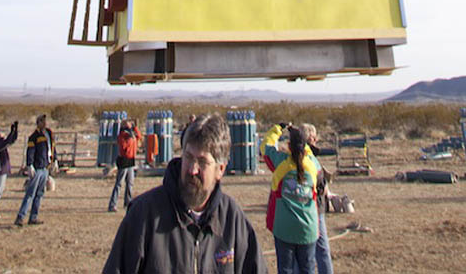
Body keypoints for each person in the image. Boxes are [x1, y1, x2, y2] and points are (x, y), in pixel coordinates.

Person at [102, 113, 266, 274]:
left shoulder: (233, 220)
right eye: (188, 157)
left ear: (220, 170)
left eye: (202, 162)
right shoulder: (144, 215)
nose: (192, 170)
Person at [264, 122, 319, 274]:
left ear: (289, 145)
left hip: (284, 228)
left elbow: (265, 148)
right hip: (308, 229)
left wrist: (278, 128)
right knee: (308, 269)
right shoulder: (313, 164)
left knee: (285, 269)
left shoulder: (281, 163)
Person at [300, 123, 333, 274]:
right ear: (311, 138)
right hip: (314, 210)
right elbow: (321, 185)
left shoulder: (291, 158)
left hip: (299, 212)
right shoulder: (310, 159)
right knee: (321, 249)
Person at [15, 113, 54, 227]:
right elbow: (30, 151)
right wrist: (29, 164)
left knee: (39, 194)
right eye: (43, 121)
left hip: (45, 168)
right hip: (37, 169)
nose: (45, 124)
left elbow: (52, 148)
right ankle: (20, 217)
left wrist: (53, 160)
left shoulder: (49, 134)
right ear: (38, 123)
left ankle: (33, 217)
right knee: (30, 193)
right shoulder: (34, 137)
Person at [108, 117, 143, 212]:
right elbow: (123, 147)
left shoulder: (131, 134)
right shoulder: (122, 135)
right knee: (119, 183)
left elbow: (139, 137)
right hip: (124, 160)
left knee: (130, 183)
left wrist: (135, 129)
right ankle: (112, 205)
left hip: (131, 160)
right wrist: (129, 139)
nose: (130, 126)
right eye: (128, 125)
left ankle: (128, 203)